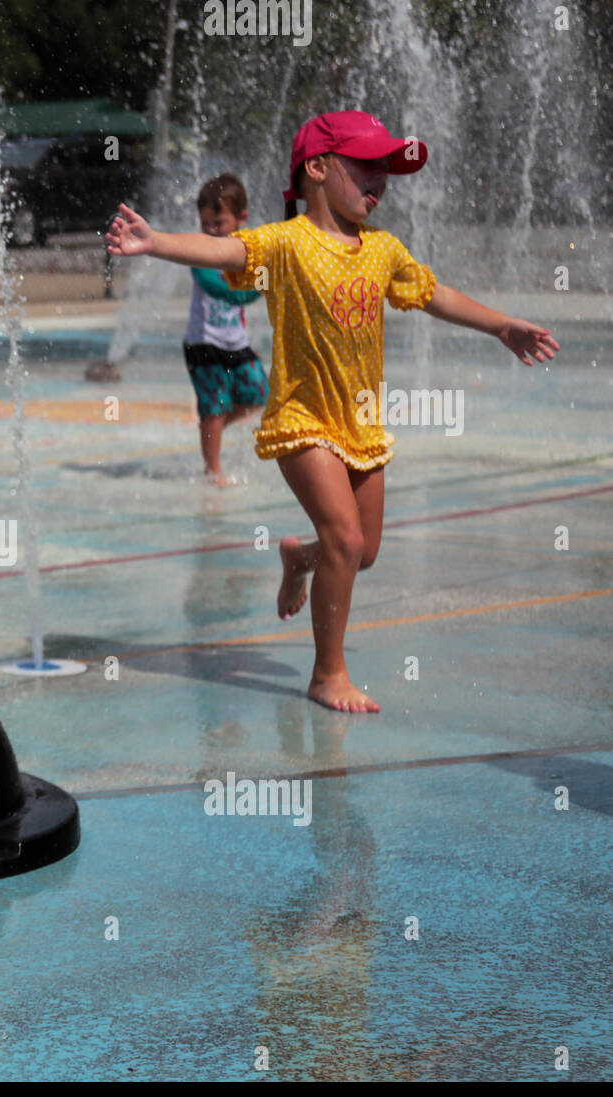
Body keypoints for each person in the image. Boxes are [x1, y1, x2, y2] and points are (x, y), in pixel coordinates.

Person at [108, 110, 558, 714]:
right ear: (317, 168)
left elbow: (436, 294)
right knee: (344, 537)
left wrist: (501, 324)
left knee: (362, 551)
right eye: (367, 166)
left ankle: (300, 559)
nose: (380, 181)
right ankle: (327, 674)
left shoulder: (382, 249)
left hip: (362, 422)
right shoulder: (285, 243)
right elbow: (222, 249)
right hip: (303, 419)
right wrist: (155, 241)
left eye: (387, 172)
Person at [184, 174, 269, 484]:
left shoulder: (246, 249)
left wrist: (267, 278)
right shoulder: (200, 251)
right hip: (203, 343)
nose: (210, 230)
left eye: (217, 223)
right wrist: (257, 288)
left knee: (260, 394)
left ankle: (212, 425)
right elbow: (215, 287)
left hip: (235, 342)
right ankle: (213, 469)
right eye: (205, 222)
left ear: (240, 219)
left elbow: (262, 274)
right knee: (216, 407)